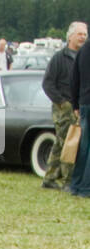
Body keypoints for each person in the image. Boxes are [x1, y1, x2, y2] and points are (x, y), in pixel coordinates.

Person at [41, 22, 87, 189]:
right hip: (64, 107)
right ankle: (68, 181)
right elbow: (47, 84)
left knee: (61, 143)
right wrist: (62, 102)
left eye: (85, 34)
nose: (83, 37)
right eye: (79, 34)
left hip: (80, 106)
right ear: (70, 36)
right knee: (69, 143)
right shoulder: (59, 58)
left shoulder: (84, 57)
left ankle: (50, 178)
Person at [70, 21, 90, 195]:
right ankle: (86, 188)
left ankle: (75, 185)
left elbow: (74, 79)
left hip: (84, 103)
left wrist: (75, 104)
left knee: (83, 146)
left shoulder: (82, 51)